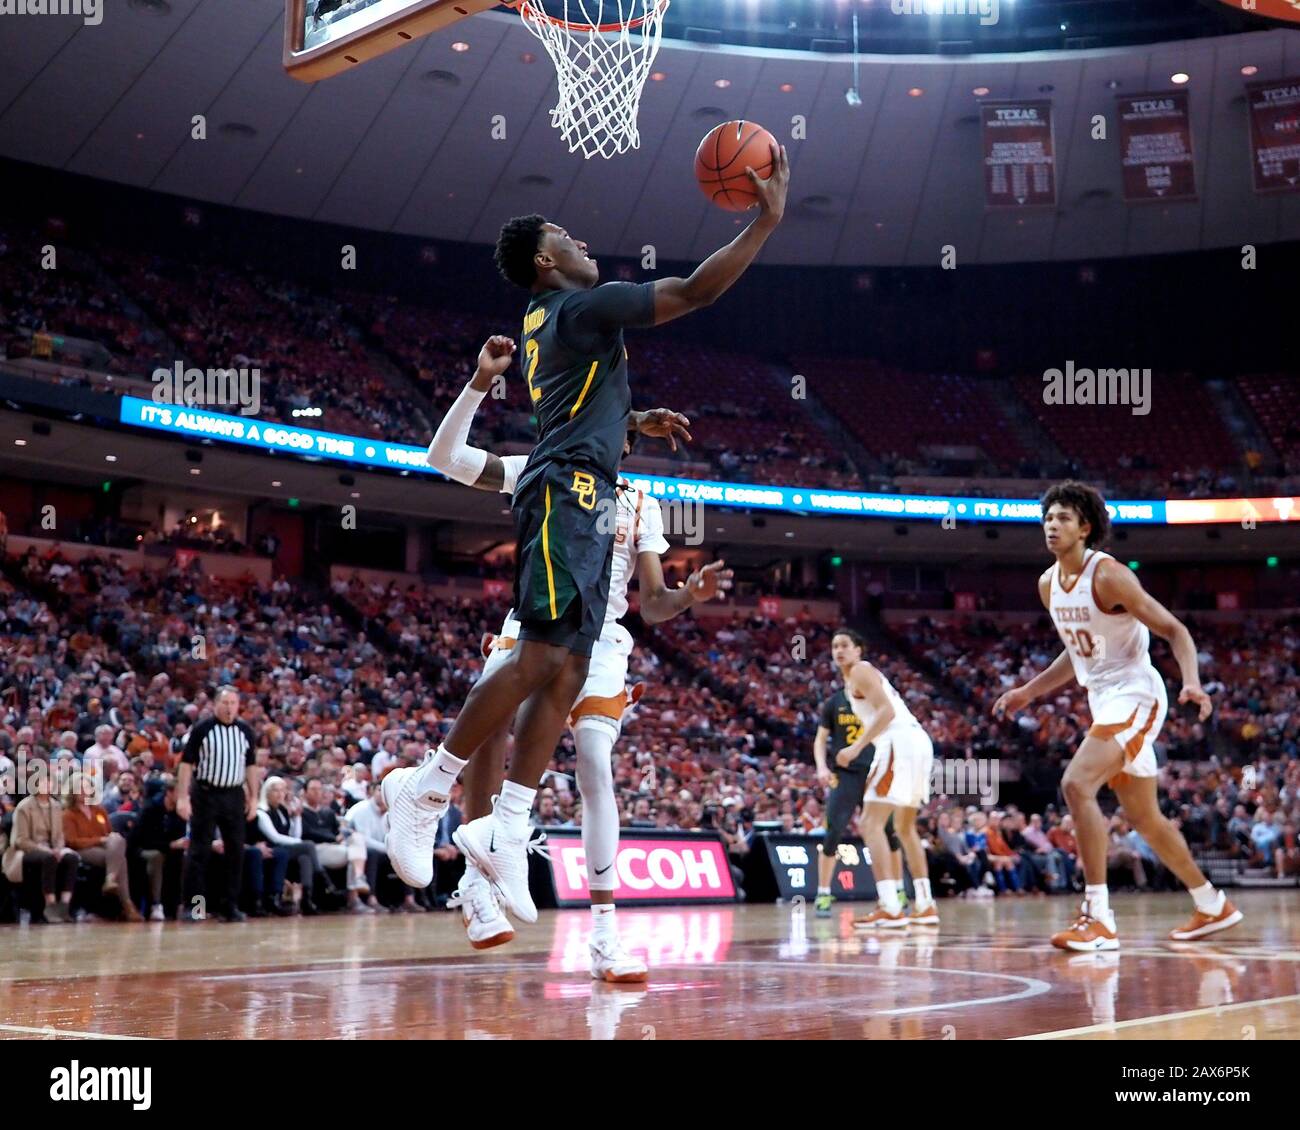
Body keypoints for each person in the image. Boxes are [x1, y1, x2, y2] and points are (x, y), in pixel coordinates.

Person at [383, 149, 790, 931]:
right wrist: (763, 221)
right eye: (565, 234)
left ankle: (507, 825)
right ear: (546, 259)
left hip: (582, 483)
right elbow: (695, 291)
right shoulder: (579, 306)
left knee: (567, 666)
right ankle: (427, 788)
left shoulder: (550, 325)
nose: (580, 240)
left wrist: (629, 421)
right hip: (560, 492)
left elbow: (573, 408)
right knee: (538, 658)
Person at [428, 351, 730, 978]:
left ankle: (604, 934)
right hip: (535, 623)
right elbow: (446, 460)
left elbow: (654, 603)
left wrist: (690, 595)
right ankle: (478, 883)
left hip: (601, 640)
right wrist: (480, 384)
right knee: (492, 723)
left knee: (595, 765)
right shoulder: (543, 464)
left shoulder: (643, 503)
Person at [993, 481, 1241, 949]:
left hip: (1136, 692)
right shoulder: (1048, 585)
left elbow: (1175, 629)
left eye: (1063, 518)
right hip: (1102, 697)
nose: (1052, 525)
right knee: (1145, 818)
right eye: (1047, 517)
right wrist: (1029, 691)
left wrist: (1191, 681)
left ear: (1085, 528)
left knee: (1075, 783)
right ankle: (1212, 904)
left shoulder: (1108, 576)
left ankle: (1099, 916)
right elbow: (1077, 653)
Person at [830, 630, 937, 930]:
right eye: (835, 646)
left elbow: (887, 713)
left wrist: (856, 747)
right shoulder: (856, 677)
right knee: (904, 827)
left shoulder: (861, 671)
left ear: (858, 649)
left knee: (870, 823)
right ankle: (926, 904)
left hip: (897, 742)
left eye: (845, 645)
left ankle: (890, 906)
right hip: (917, 741)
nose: (839, 651)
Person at [812, 679, 901, 917]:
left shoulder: (878, 701)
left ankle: (897, 890)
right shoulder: (835, 702)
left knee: (890, 831)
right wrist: (821, 767)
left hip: (875, 772)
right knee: (834, 830)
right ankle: (822, 893)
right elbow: (820, 739)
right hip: (846, 774)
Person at [177, 686, 259, 923]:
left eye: (234, 703)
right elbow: (186, 764)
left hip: (234, 795)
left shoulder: (245, 731)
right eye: (225, 703)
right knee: (199, 851)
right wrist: (183, 796)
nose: (230, 707)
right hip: (205, 793)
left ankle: (229, 905)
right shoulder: (202, 729)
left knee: (235, 851)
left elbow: (251, 767)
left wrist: (254, 797)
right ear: (215, 704)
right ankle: (194, 906)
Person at [62, 772, 143, 921]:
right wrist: (100, 840)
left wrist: (105, 840)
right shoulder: (68, 814)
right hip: (82, 850)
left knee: (117, 840)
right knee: (120, 859)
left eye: (87, 787)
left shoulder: (99, 810)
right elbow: (72, 841)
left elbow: (109, 834)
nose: (84, 791)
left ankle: (111, 880)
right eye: (81, 788)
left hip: (104, 848)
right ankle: (127, 905)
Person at [3, 771, 78, 923]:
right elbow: (20, 840)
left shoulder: (56, 806)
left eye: (49, 781)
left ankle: (63, 907)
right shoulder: (24, 807)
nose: (47, 785)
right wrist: (48, 850)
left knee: (71, 858)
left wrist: (58, 848)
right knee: (49, 858)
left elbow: (59, 836)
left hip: (50, 849)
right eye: (43, 781)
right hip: (26, 850)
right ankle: (49, 907)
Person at [301, 778, 371, 912]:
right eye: (313, 789)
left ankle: (358, 878)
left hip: (335, 847)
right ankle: (354, 897)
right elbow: (306, 833)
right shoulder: (301, 812)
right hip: (316, 849)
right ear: (305, 792)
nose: (317, 792)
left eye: (319, 789)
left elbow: (339, 829)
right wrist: (335, 837)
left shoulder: (327, 812)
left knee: (356, 838)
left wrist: (345, 833)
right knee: (353, 855)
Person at [255, 777, 321, 915]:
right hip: (270, 848)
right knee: (308, 846)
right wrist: (302, 844)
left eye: (282, 790)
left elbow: (295, 836)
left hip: (284, 848)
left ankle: (306, 900)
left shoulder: (282, 810)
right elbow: (275, 837)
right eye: (275, 790)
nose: (280, 794)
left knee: (305, 857)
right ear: (266, 792)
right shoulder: (261, 812)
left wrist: (297, 817)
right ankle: (323, 881)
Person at [131, 780, 188, 921]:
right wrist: (170, 845)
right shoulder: (150, 809)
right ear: (169, 793)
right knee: (157, 856)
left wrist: (179, 844)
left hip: (168, 849)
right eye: (181, 793)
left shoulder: (179, 812)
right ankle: (156, 904)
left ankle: (184, 905)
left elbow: (178, 837)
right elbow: (143, 839)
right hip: (141, 849)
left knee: (187, 858)